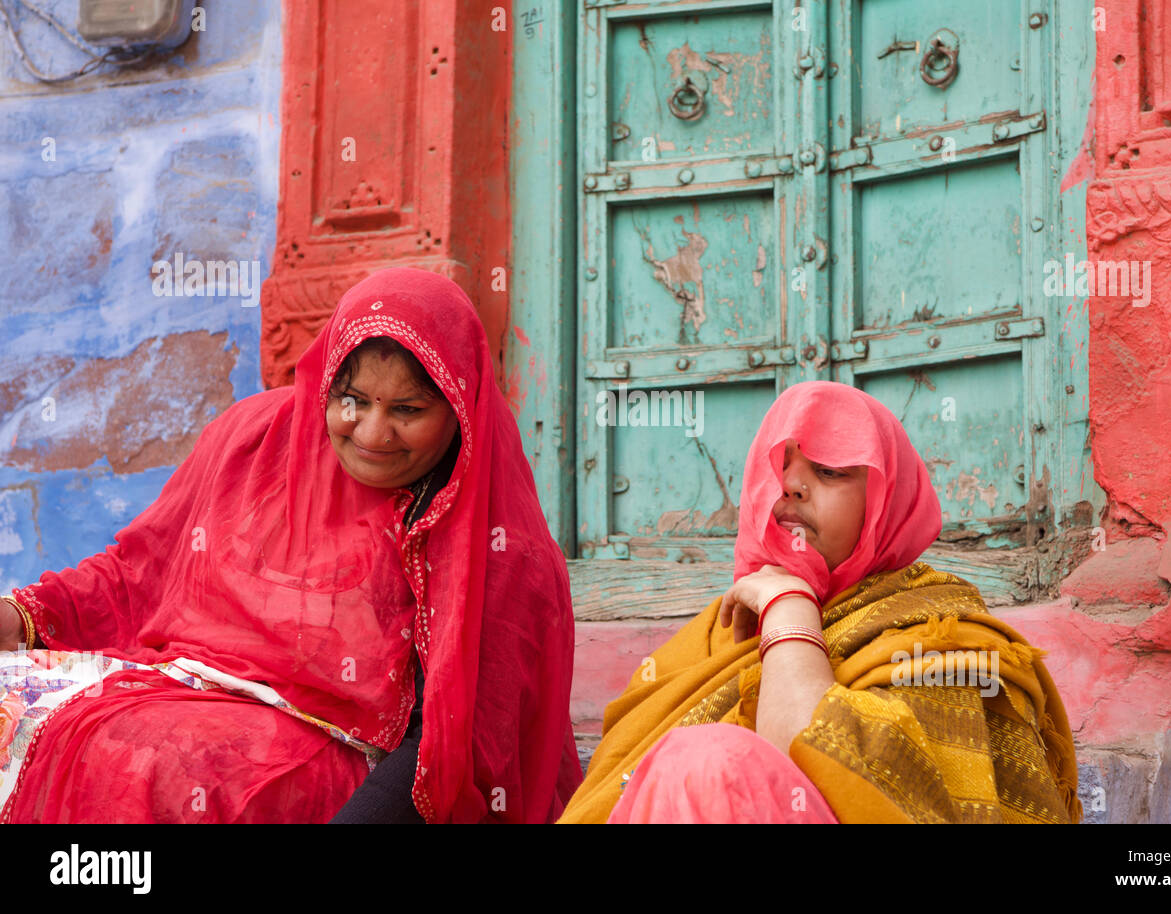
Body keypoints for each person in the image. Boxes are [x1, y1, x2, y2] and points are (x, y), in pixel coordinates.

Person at [0, 267, 582, 823]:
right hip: (184, 689)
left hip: (344, 755)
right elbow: (138, 572)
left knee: (162, 765)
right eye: (352, 400)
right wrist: (19, 616)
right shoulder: (254, 442)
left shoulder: (495, 544)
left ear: (458, 405)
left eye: (408, 410)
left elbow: (450, 747)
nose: (374, 434)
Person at [559, 381, 1081, 824]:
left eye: (831, 471)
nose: (791, 486)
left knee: (708, 760)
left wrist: (788, 607)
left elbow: (815, 765)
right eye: (778, 467)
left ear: (886, 501)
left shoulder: (937, 636)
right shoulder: (707, 640)